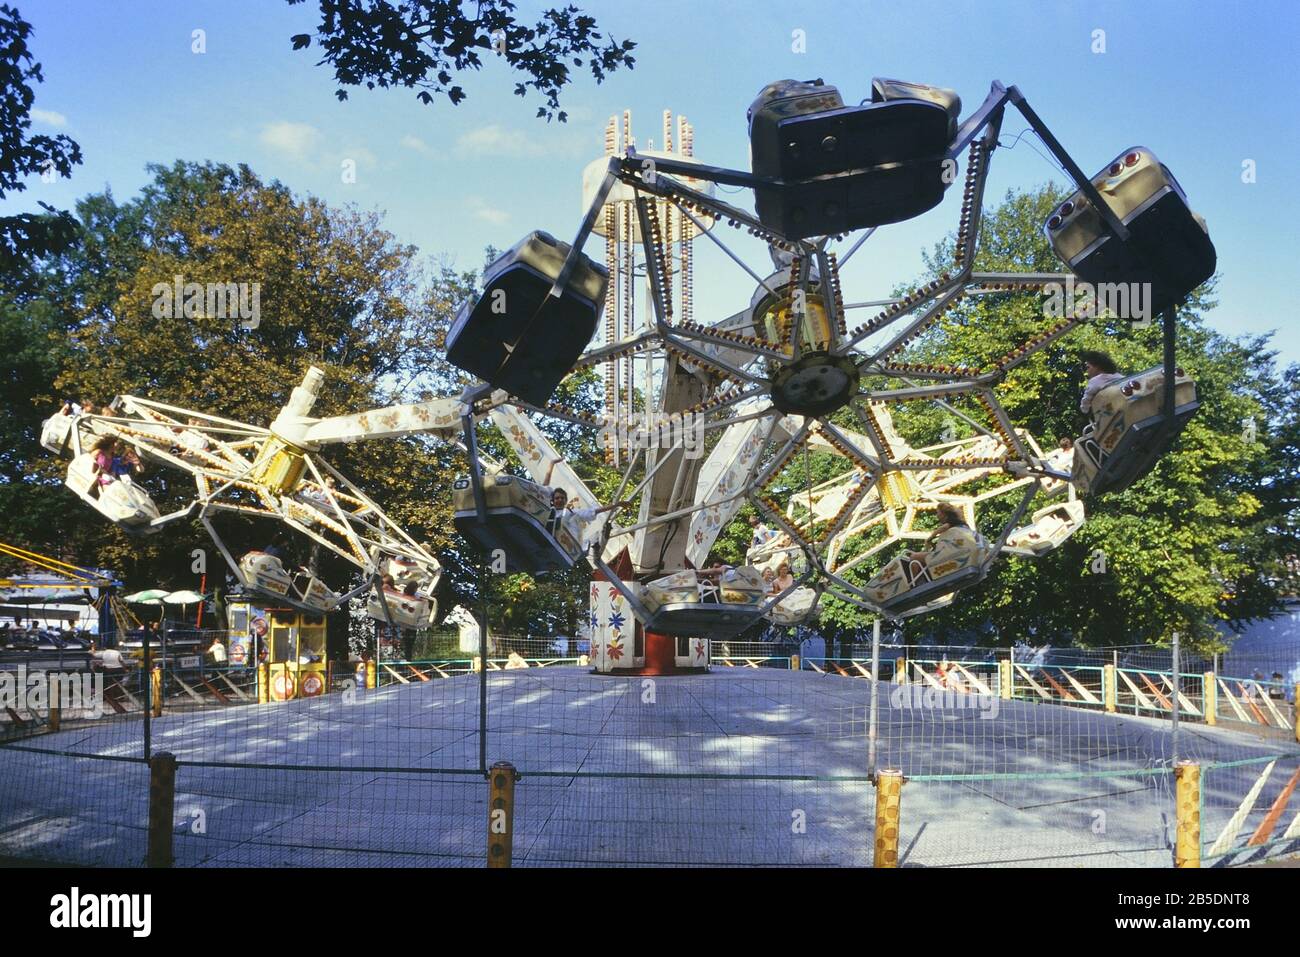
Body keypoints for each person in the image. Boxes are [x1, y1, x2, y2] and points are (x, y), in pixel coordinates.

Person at [1079, 351, 1124, 417]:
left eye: (1088, 367)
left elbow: (1085, 403)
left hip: (1110, 415)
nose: (1087, 371)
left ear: (1097, 367)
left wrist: (1085, 409)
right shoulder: (1119, 376)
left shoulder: (1095, 381)